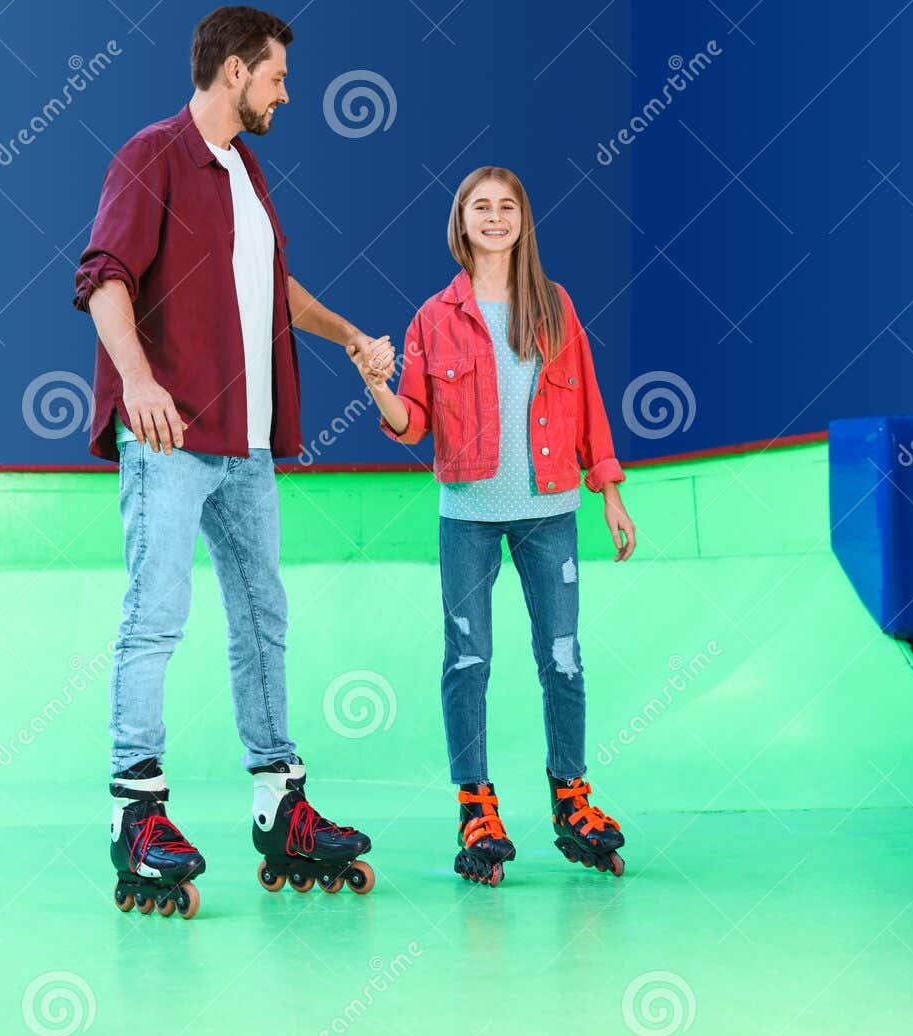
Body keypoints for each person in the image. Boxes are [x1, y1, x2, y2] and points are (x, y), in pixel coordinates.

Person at [73, 6, 391, 917]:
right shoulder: (152, 153)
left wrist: (348, 337)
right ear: (235, 71)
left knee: (263, 617)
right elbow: (103, 276)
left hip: (247, 444)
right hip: (171, 435)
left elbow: (272, 289)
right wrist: (138, 382)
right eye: (277, 76)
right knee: (157, 613)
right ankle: (137, 814)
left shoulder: (245, 172)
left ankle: (278, 804)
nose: (286, 92)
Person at [356, 166, 638, 887]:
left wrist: (609, 490)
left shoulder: (556, 305)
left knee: (564, 658)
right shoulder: (433, 318)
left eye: (507, 205)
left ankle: (572, 799)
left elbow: (591, 404)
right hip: (469, 517)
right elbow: (412, 423)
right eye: (481, 206)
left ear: (522, 221)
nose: (494, 217)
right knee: (467, 661)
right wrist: (377, 387)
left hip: (552, 511)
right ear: (462, 221)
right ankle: (476, 805)